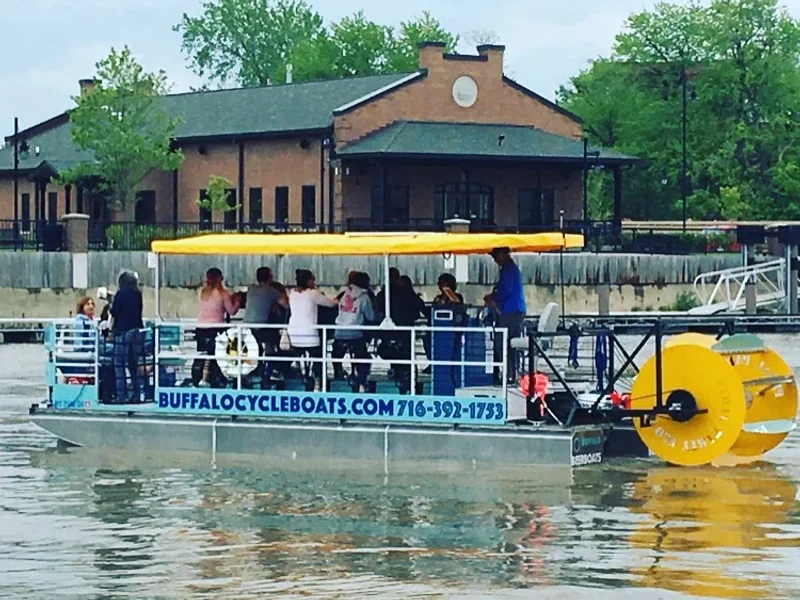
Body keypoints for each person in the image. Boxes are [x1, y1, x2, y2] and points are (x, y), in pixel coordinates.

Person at [288, 269, 337, 389]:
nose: (314, 281)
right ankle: (318, 382)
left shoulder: (292, 293)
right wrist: (338, 301)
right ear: (308, 281)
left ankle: (302, 373)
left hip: (294, 334)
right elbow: (330, 303)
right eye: (313, 279)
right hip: (309, 334)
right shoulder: (313, 293)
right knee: (318, 356)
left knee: (299, 352)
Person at [484, 247, 526, 383]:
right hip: (515, 310)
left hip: (510, 311)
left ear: (504, 254)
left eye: (496, 255)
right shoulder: (509, 269)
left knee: (501, 343)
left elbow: (505, 290)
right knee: (510, 344)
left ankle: (508, 375)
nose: (494, 259)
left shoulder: (508, 269)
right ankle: (511, 374)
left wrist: (493, 298)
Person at [197, 267, 240, 387]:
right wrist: (237, 301)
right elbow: (231, 311)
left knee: (209, 352)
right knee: (221, 351)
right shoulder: (222, 293)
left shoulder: (201, 291)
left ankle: (206, 376)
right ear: (219, 278)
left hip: (200, 327)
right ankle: (213, 377)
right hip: (216, 327)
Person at [332, 271, 375, 391]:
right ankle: (361, 380)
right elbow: (370, 316)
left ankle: (338, 372)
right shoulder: (364, 297)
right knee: (363, 357)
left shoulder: (344, 295)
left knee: (336, 354)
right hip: (355, 333)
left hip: (339, 332)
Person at [244, 267, 288, 377]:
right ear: (270, 277)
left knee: (257, 344)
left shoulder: (251, 289)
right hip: (260, 328)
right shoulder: (271, 291)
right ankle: (272, 370)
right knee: (274, 341)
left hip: (245, 328)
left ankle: (254, 369)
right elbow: (286, 304)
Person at [110, 270, 144, 403]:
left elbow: (114, 311)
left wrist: (111, 303)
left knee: (119, 364)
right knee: (133, 364)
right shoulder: (137, 294)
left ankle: (121, 395)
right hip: (137, 331)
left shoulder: (120, 294)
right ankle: (136, 394)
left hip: (123, 331)